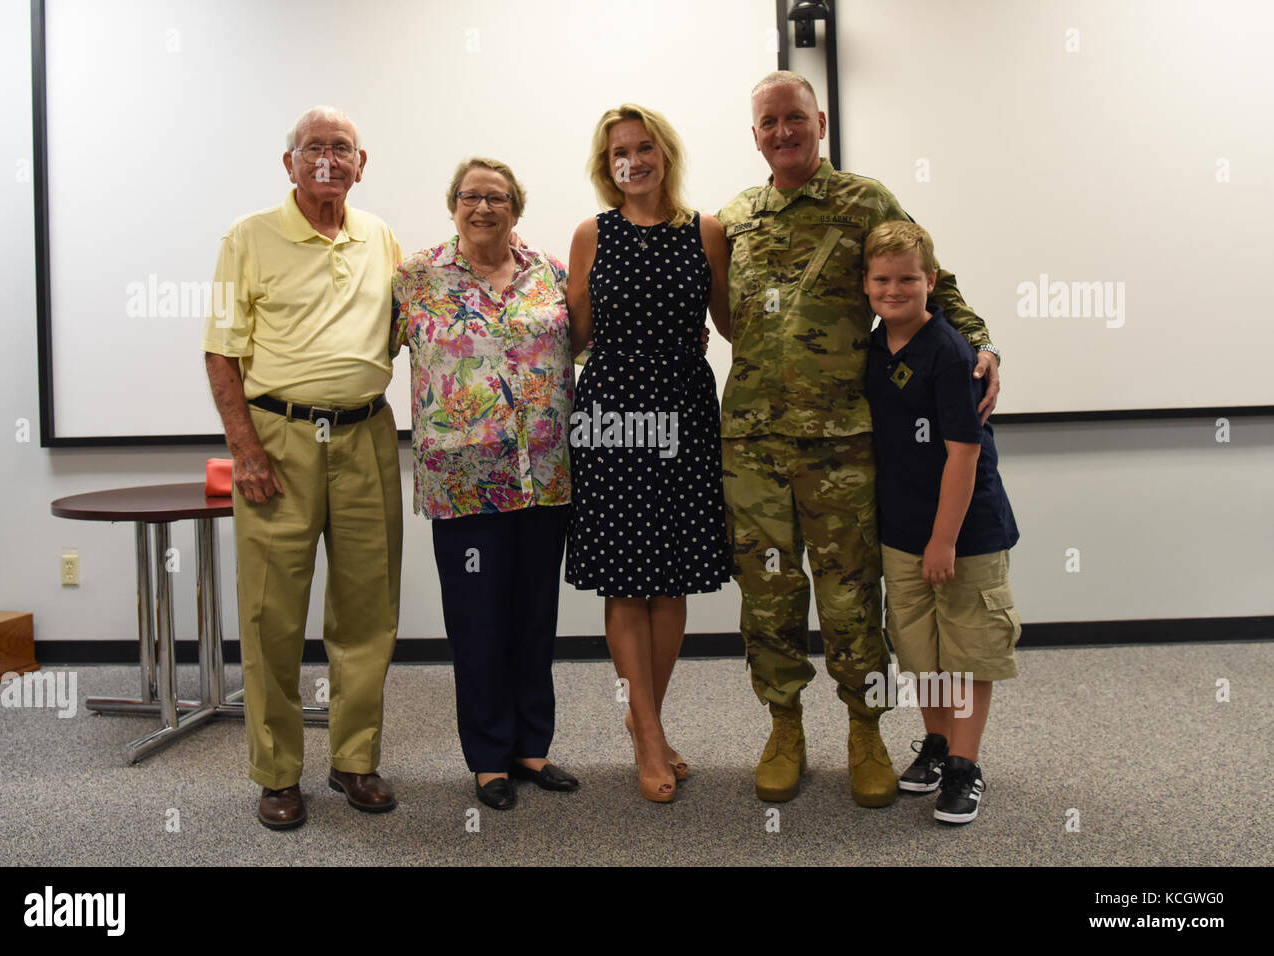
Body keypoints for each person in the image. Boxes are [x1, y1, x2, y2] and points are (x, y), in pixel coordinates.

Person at [717, 71, 1002, 807]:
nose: (783, 132)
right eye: (769, 122)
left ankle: (865, 727)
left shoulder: (863, 201)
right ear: (755, 135)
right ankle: (784, 725)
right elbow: (723, 313)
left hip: (841, 440)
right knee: (769, 595)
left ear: (820, 123)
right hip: (751, 441)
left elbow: (931, 278)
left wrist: (981, 344)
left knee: (849, 596)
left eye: (795, 118)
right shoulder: (734, 216)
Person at [203, 106, 402, 830]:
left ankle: (355, 760)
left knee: (368, 611)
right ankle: (277, 773)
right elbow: (221, 351)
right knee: (270, 618)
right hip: (277, 442)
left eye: (340, 147)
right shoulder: (246, 238)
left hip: (367, 439)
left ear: (360, 162)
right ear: (288, 162)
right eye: (312, 147)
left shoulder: (379, 236)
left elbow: (411, 328)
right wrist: (244, 450)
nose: (327, 158)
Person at [392, 158, 579, 812]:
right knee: (477, 623)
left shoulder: (552, 274)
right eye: (471, 196)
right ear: (454, 205)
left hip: (544, 477)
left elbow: (589, 343)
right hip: (464, 484)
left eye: (497, 197)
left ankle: (533, 747)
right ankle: (488, 758)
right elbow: (365, 350)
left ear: (515, 207)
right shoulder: (416, 278)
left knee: (534, 618)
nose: (483, 207)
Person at [564, 104, 732, 803]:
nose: (632, 160)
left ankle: (646, 726)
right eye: (617, 153)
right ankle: (652, 737)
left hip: (686, 413)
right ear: (607, 169)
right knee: (626, 579)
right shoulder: (590, 234)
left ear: (664, 153)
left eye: (643, 147)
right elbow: (572, 336)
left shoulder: (707, 231)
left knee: (673, 578)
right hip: (610, 417)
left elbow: (729, 324)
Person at [863, 221, 1019, 824]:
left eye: (908, 278)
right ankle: (934, 743)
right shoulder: (874, 347)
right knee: (919, 651)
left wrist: (943, 540)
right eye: (882, 279)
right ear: (867, 285)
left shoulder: (953, 352)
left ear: (932, 281)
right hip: (902, 531)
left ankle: (964, 764)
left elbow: (964, 452)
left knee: (968, 649)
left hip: (962, 532)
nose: (894, 289)